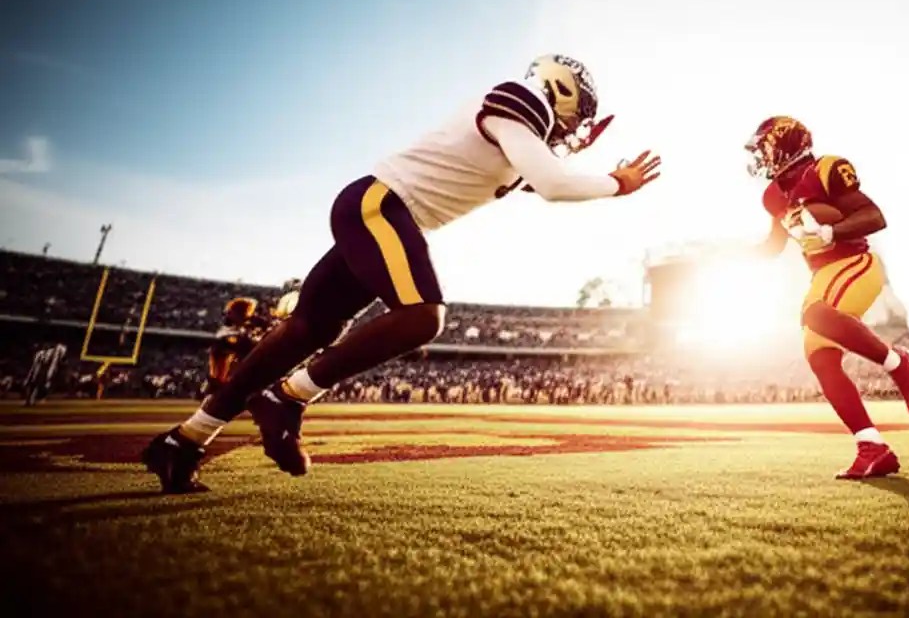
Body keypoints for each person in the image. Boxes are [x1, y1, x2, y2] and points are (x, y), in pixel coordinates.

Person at [143, 54, 661, 493]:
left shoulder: (517, 135)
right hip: (381, 205)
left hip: (377, 212)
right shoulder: (520, 99)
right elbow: (553, 184)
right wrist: (617, 182)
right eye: (577, 116)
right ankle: (288, 397)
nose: (573, 130)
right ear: (560, 94)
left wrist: (575, 167)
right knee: (422, 316)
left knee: (307, 330)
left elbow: (544, 174)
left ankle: (184, 442)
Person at [742, 116, 909, 480]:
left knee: (814, 314)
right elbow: (774, 245)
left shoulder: (826, 169)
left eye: (764, 148)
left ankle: (898, 364)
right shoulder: (773, 195)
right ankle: (872, 447)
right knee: (821, 359)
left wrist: (831, 232)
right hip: (822, 275)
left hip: (855, 262)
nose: (760, 158)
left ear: (784, 144)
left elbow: (874, 216)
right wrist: (737, 255)